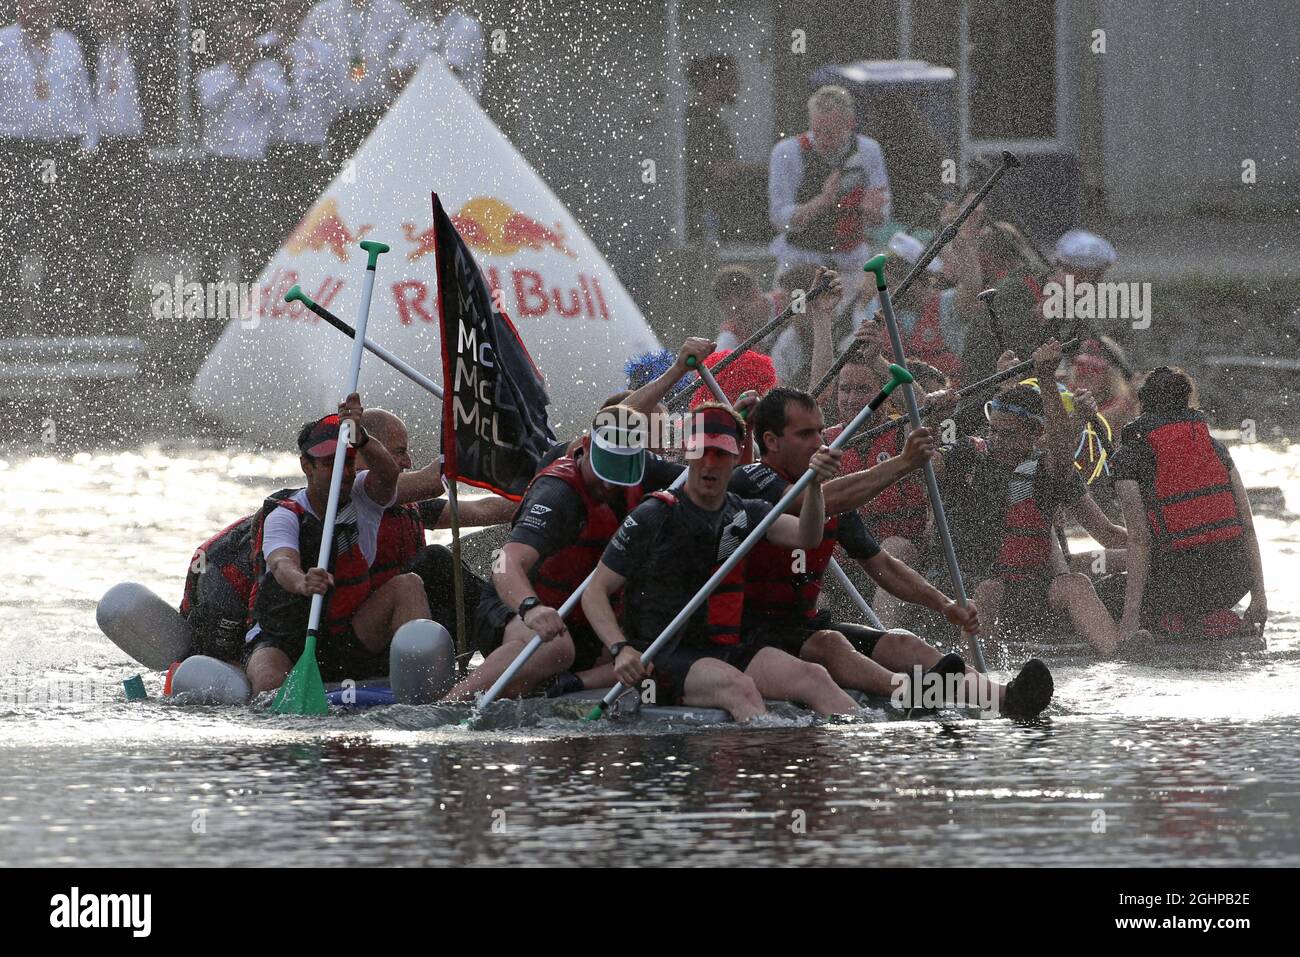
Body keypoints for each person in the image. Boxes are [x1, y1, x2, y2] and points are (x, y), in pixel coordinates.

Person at [734, 386, 1052, 717]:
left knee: (903, 642)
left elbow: (883, 566)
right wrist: (903, 463)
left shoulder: (828, 495)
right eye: (805, 434)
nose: (820, 442)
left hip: (801, 625)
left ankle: (1005, 699)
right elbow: (808, 501)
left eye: (819, 430)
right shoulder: (751, 479)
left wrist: (945, 605)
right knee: (830, 644)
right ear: (771, 442)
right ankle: (913, 693)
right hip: (749, 634)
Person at [583, 403, 861, 720]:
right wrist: (620, 649)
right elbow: (595, 592)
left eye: (720, 454)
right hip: (661, 655)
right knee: (739, 689)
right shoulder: (654, 515)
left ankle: (863, 753)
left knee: (816, 677)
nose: (710, 464)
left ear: (735, 458)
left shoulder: (744, 512)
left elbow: (807, 537)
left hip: (724, 646)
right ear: (687, 452)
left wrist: (813, 485)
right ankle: (755, 765)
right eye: (702, 452)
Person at [445, 405, 685, 702]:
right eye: (604, 469)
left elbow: (713, 480)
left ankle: (562, 686)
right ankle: (454, 704)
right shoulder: (557, 494)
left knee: (649, 649)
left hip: (582, 619)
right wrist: (531, 607)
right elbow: (504, 561)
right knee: (556, 646)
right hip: (515, 609)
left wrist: (739, 431)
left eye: (619, 472)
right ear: (586, 448)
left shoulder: (644, 466)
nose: (609, 483)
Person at [931, 340, 1125, 655]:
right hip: (965, 584)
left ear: (1035, 435)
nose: (996, 441)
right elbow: (924, 464)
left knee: (1076, 583)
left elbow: (1061, 448)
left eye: (1007, 434)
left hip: (1027, 589)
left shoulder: (1048, 470)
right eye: (993, 431)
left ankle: (1117, 658)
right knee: (989, 590)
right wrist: (931, 420)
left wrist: (1046, 378)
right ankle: (980, 670)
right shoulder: (969, 453)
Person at [244, 395, 432, 695]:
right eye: (330, 463)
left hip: (347, 633)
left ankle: (425, 697)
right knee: (269, 684)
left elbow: (388, 473)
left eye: (347, 461)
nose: (341, 472)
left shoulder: (364, 497)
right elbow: (281, 563)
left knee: (408, 585)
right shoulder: (285, 514)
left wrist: (362, 436)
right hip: (285, 638)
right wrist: (303, 581)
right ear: (307, 465)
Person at [1110, 367, 1267, 640]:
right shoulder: (1215, 447)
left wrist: (1129, 620)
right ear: (1189, 401)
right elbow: (1248, 528)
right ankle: (1209, 619)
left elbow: (1139, 539)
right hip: (1232, 580)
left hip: (1176, 584)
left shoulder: (1130, 455)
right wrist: (1260, 599)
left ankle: (1171, 622)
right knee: (1195, 587)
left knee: (1106, 592)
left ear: (1142, 403)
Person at [826, 350, 953, 624]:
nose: (850, 399)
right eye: (844, 389)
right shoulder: (826, 441)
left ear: (885, 394)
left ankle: (883, 635)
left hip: (898, 557)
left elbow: (921, 409)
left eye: (863, 390)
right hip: (842, 561)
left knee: (894, 546)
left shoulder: (903, 435)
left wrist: (877, 360)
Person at [0, 0, 98, 334]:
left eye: (44, 3)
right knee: (11, 230)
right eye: (31, 2)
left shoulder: (68, 44)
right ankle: (9, 313)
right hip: (15, 149)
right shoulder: (5, 42)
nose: (38, 8)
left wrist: (89, 140)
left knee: (56, 230)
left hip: (58, 150)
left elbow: (83, 95)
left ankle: (53, 313)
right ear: (19, 7)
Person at [768, 84, 890, 309]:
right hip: (800, 260)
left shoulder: (869, 150)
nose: (822, 139)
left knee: (852, 332)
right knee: (791, 331)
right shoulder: (787, 152)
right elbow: (778, 217)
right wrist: (821, 202)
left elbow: (882, 215)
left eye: (831, 133)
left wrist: (873, 211)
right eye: (817, 131)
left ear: (850, 124)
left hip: (850, 263)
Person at [961, 227, 1117, 387]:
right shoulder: (1017, 290)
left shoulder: (1069, 305)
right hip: (988, 386)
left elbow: (1076, 346)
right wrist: (1040, 315)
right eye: (1093, 279)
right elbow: (1006, 346)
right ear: (1069, 271)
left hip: (1027, 387)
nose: (1096, 286)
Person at [300, 0, 415, 163]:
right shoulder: (323, 13)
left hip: (380, 113)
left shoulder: (393, 11)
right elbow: (306, 54)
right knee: (345, 178)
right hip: (340, 117)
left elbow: (409, 54)